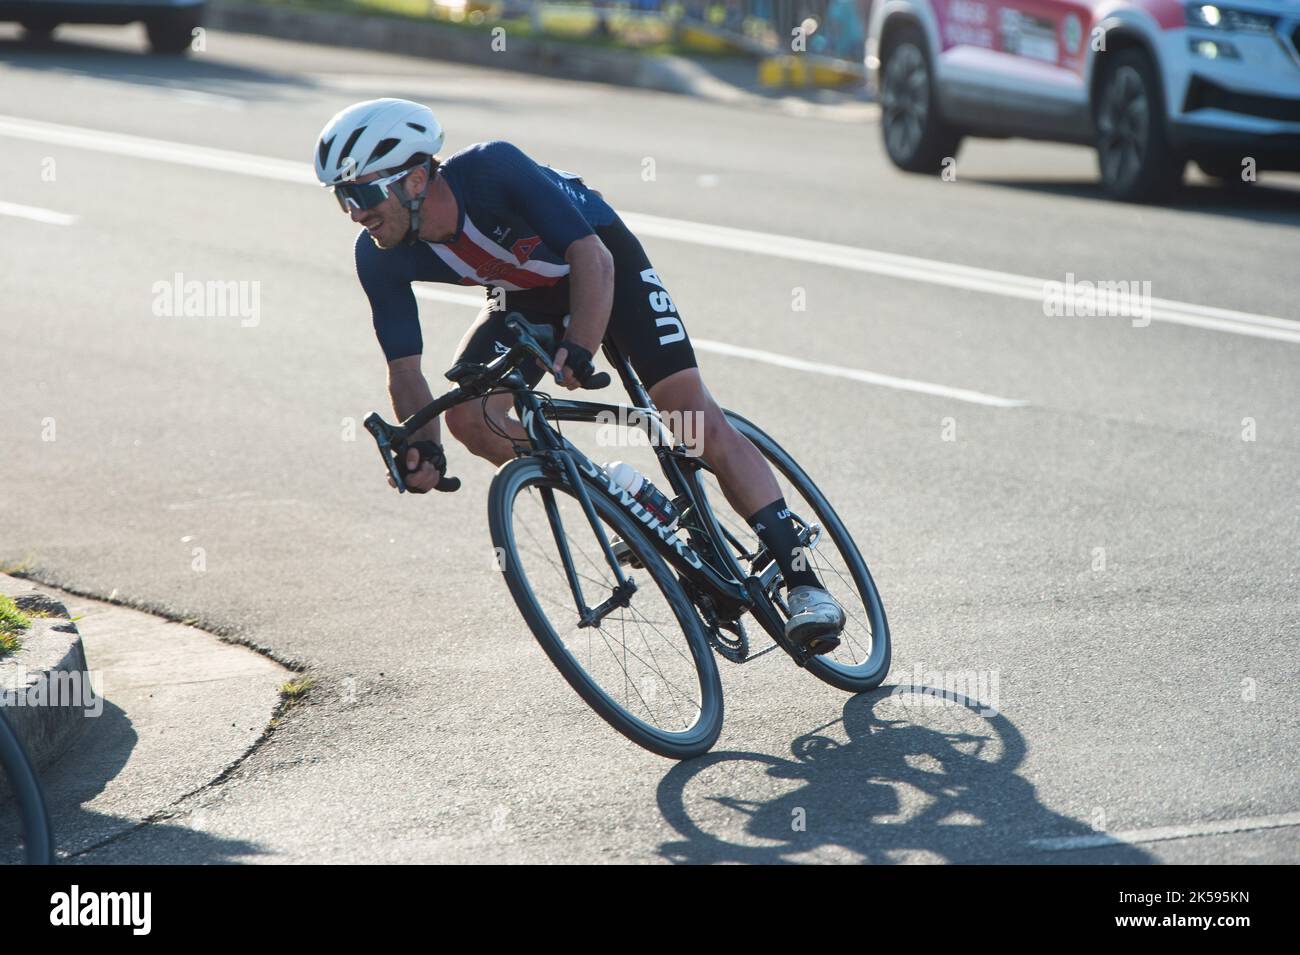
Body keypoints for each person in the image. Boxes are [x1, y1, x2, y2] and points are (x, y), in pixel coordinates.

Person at [314, 98, 845, 652]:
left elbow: (592, 256)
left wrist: (581, 347)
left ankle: (803, 580)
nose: (354, 212)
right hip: (526, 297)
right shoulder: (378, 254)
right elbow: (404, 371)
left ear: (416, 179)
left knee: (688, 416)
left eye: (362, 194)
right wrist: (424, 448)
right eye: (341, 199)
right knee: (471, 418)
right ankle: (621, 498)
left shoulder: (494, 168)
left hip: (603, 264)